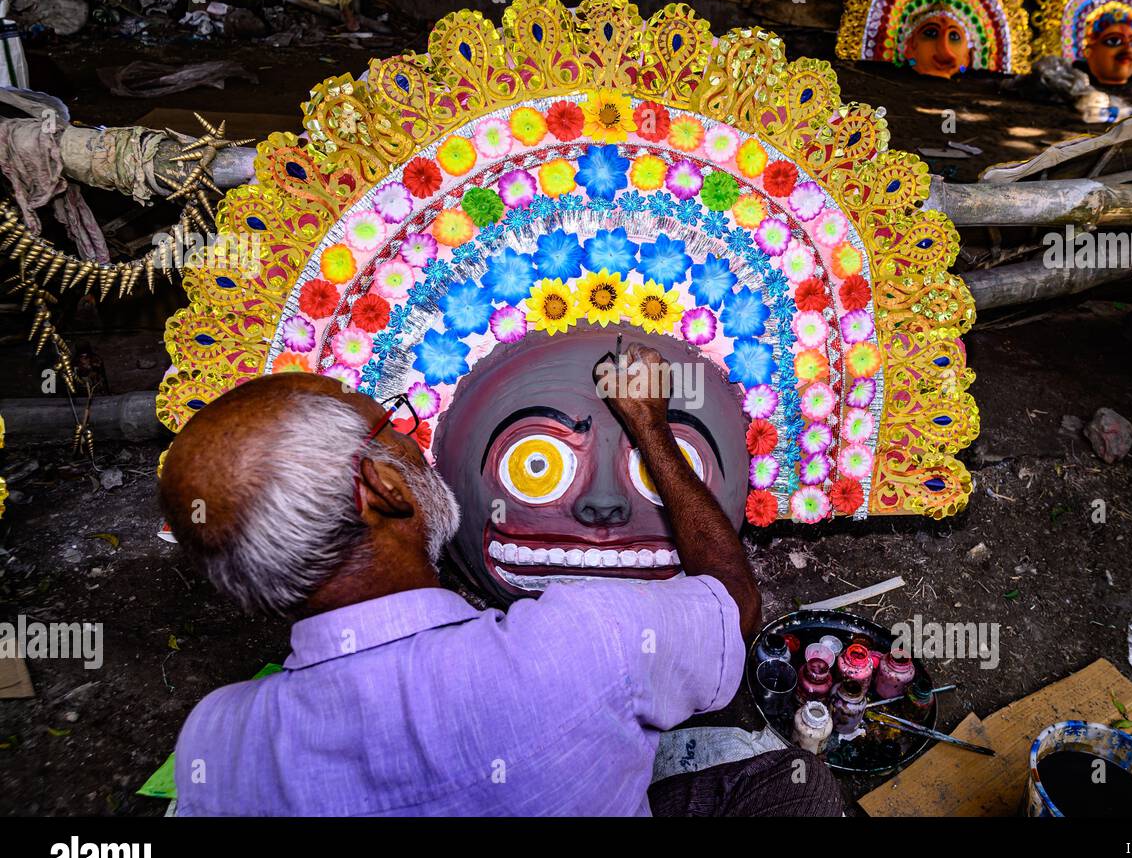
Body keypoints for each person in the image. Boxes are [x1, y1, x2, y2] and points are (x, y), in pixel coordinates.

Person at [160, 344, 843, 816]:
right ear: (385, 486)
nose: (599, 508)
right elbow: (733, 606)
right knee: (799, 785)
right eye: (390, 423)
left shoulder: (215, 746)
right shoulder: (581, 643)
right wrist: (652, 431)